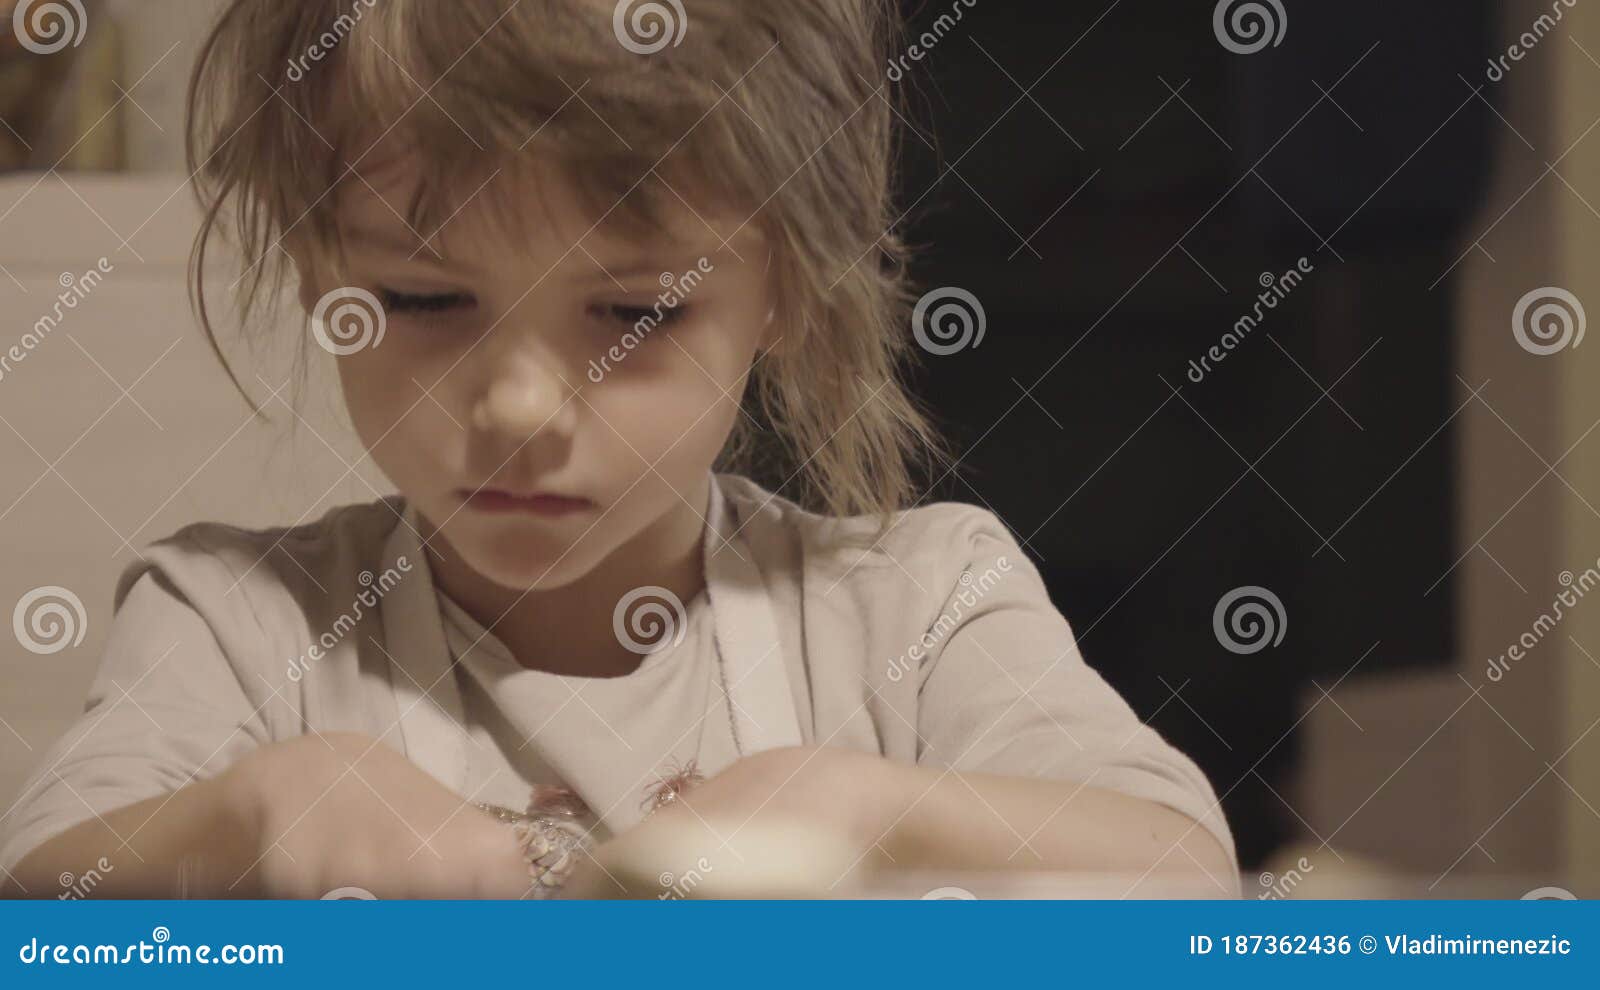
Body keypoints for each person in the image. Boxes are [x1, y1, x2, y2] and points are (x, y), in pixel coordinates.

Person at [0, 0, 1237, 899]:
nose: (523, 407)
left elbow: (1180, 869)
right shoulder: (235, 620)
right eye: (425, 302)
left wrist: (864, 815)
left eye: (635, 314)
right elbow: (40, 906)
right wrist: (251, 817)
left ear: (789, 288)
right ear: (326, 273)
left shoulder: (917, 603)